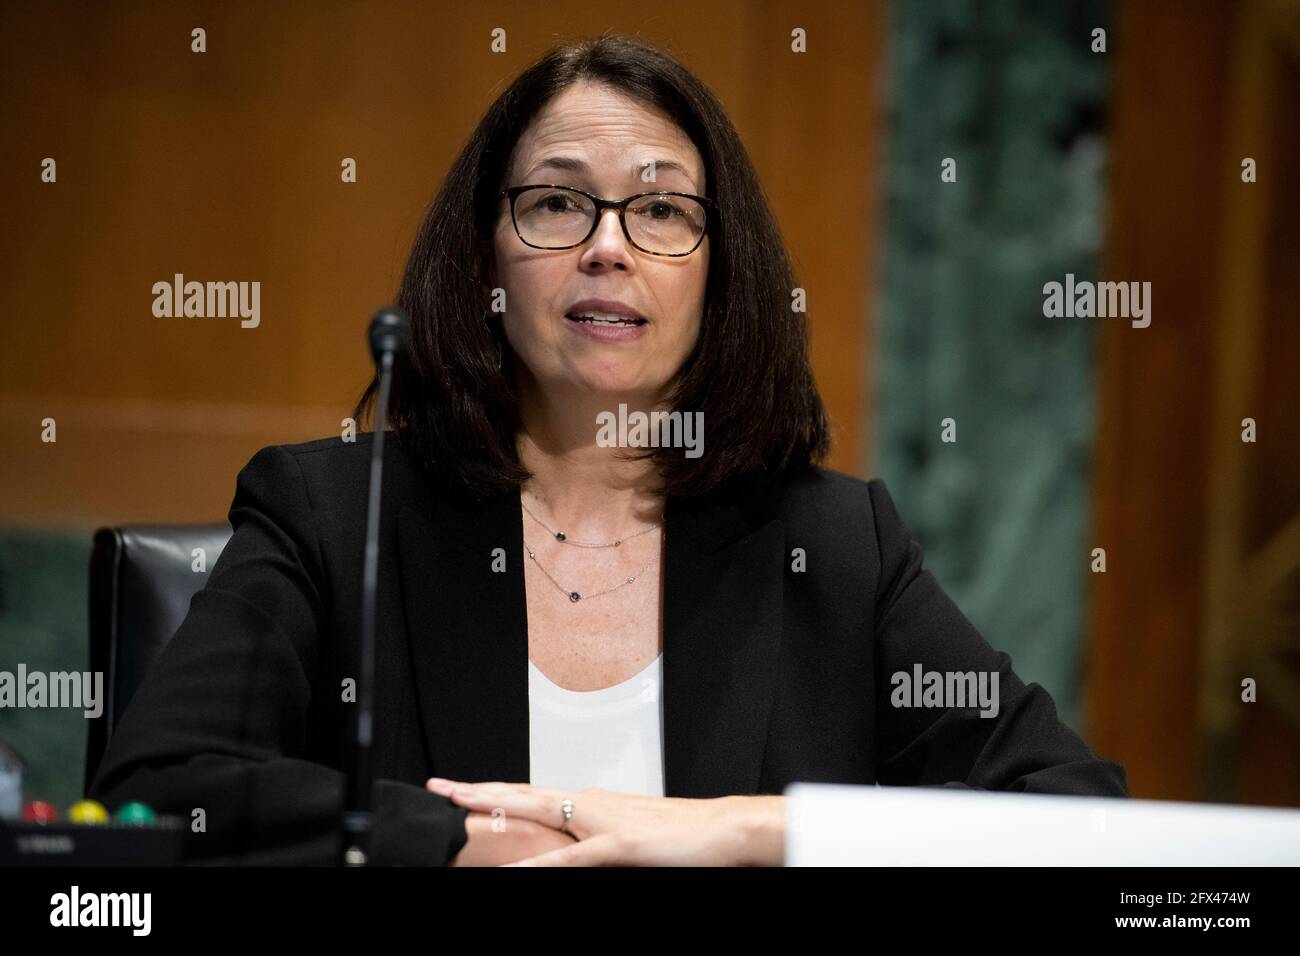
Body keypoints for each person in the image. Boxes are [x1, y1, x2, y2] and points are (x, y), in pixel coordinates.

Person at [89, 34, 1128, 867]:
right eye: (555, 200)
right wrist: (463, 838)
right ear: (484, 257)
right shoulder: (333, 516)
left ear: (718, 277)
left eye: (662, 208)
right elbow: (157, 788)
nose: (607, 243)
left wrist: (752, 830)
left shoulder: (834, 548)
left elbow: (1074, 813)